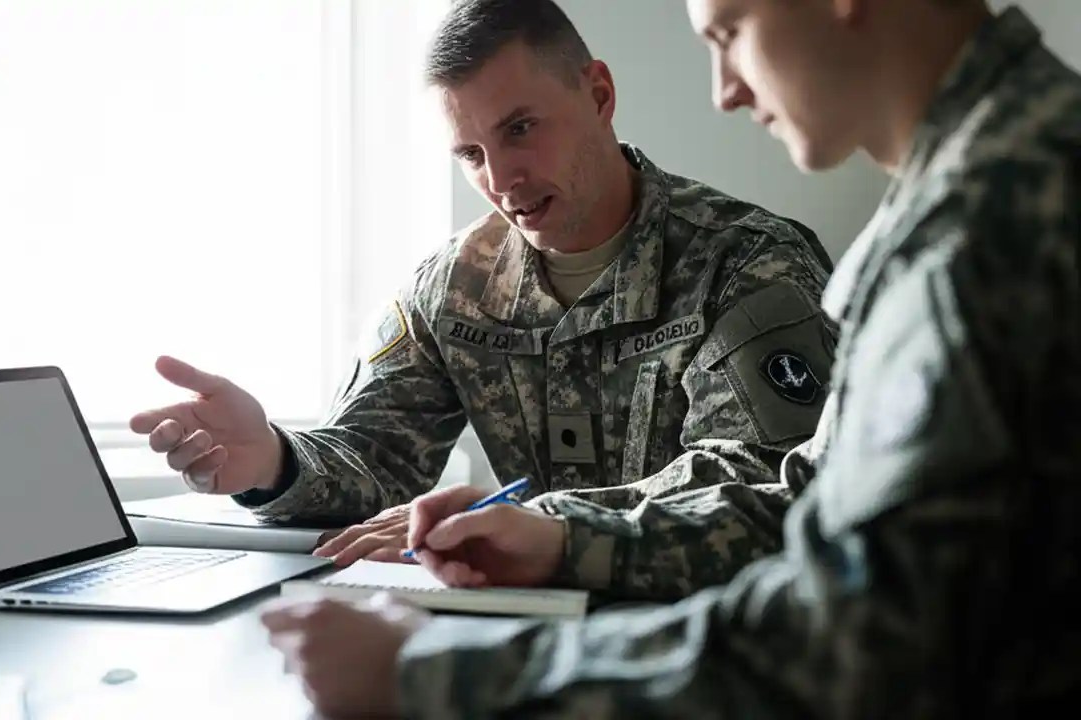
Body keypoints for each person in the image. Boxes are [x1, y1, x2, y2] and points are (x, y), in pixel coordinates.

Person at [260, 0, 1081, 717]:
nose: (726, 91)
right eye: (471, 153)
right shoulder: (991, 185)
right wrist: (565, 540)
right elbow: (808, 503)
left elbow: (852, 642)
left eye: (729, 31)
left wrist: (436, 675)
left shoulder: (993, 227)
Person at [131, 0, 836, 591]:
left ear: (598, 95)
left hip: (713, 641)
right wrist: (272, 460)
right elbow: (378, 458)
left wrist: (539, 525)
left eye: (519, 130)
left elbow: (765, 481)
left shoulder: (747, 263)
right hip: (519, 637)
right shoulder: (453, 287)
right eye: (470, 154)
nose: (501, 180)